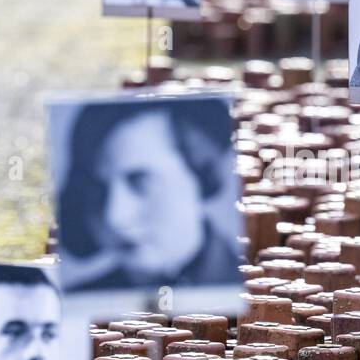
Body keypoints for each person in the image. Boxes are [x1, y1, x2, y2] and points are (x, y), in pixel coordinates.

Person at [57, 100, 240, 291]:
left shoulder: (257, 292)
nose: (114, 217)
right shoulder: (79, 303)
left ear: (200, 177)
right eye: (98, 189)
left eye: (140, 182)